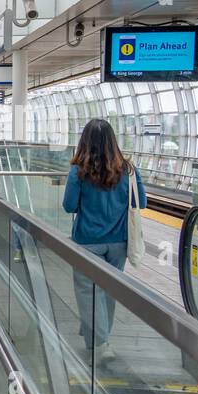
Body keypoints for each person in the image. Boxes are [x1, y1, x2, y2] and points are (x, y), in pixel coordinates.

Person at [62, 118, 145, 361]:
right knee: (109, 290)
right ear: (113, 140)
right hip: (119, 242)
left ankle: (100, 344)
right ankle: (98, 337)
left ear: (84, 141)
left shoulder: (78, 171)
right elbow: (141, 201)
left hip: (87, 240)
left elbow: (68, 206)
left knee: (88, 292)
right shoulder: (128, 170)